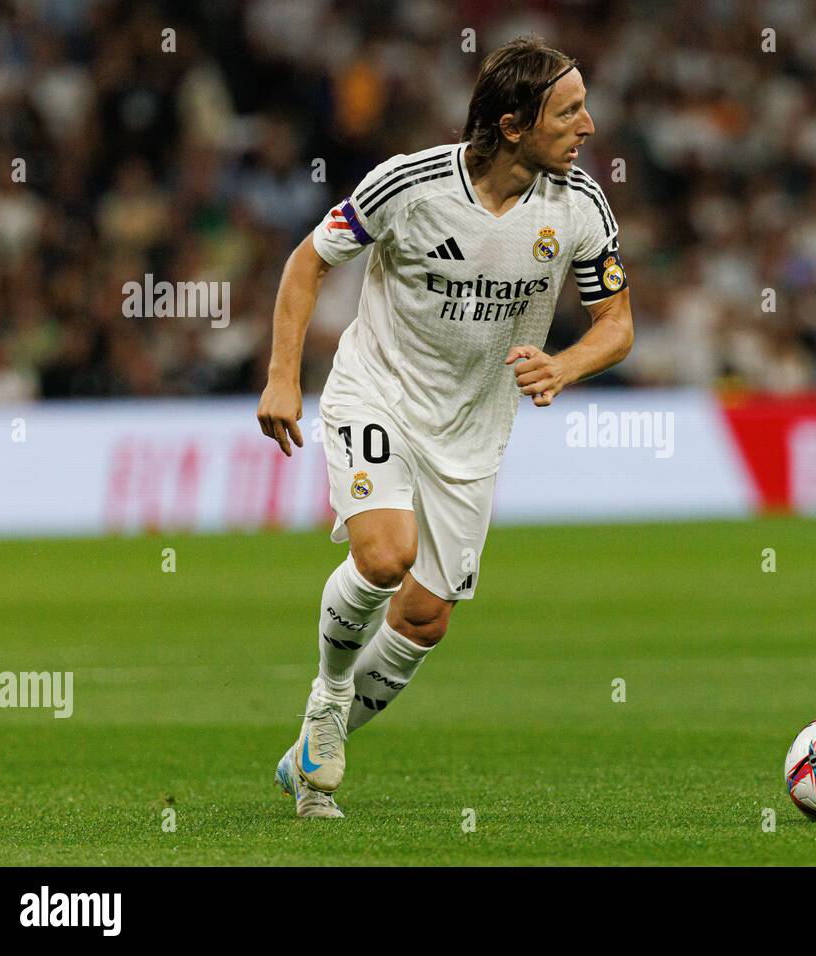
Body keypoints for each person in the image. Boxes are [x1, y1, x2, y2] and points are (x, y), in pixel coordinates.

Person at [255, 36, 633, 817]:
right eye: (569, 112)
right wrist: (284, 376)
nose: (589, 126)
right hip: (379, 393)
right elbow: (307, 262)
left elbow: (618, 325)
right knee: (385, 556)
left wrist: (564, 365)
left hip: (472, 430)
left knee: (426, 619)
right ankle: (328, 700)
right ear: (513, 125)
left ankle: (312, 753)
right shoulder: (410, 184)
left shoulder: (580, 203)